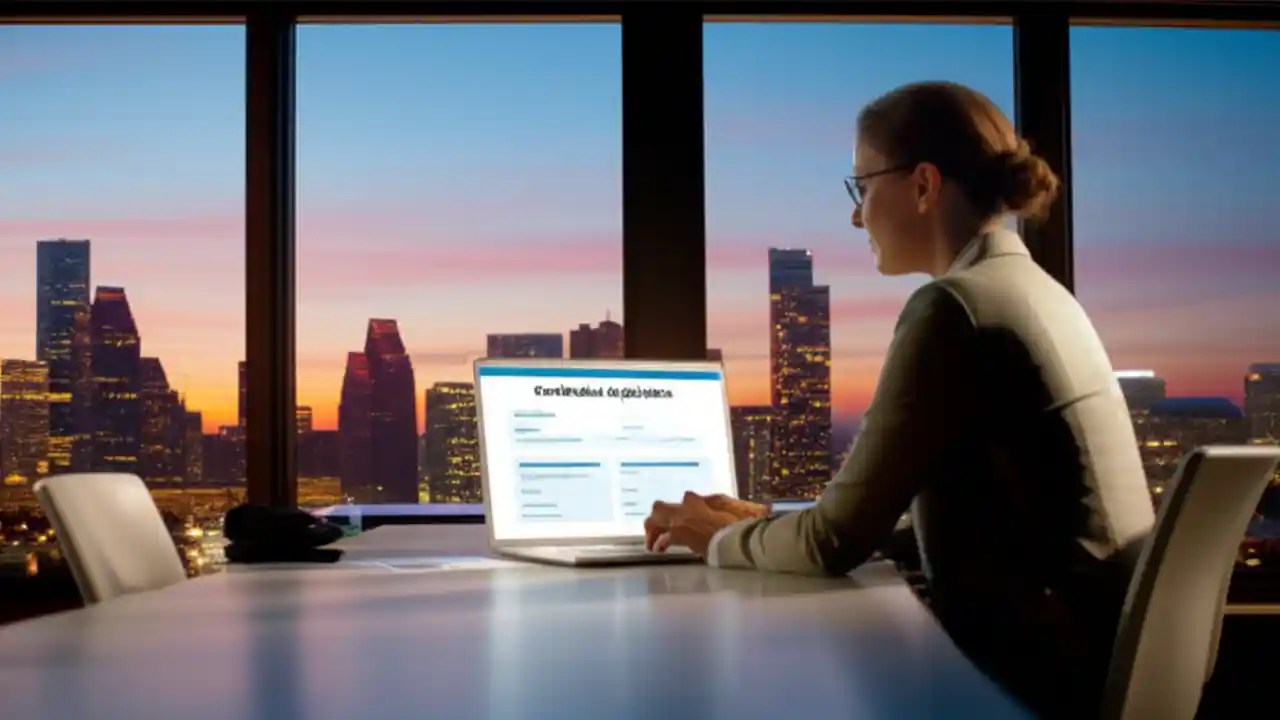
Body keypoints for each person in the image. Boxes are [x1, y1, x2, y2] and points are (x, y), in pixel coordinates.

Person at [643, 81, 1157, 718]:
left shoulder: (955, 308)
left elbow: (832, 544)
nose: (856, 216)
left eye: (862, 186)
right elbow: (995, 520)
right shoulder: (1039, 293)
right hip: (1081, 656)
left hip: (1024, 681)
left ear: (922, 186)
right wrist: (763, 526)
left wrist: (717, 540)